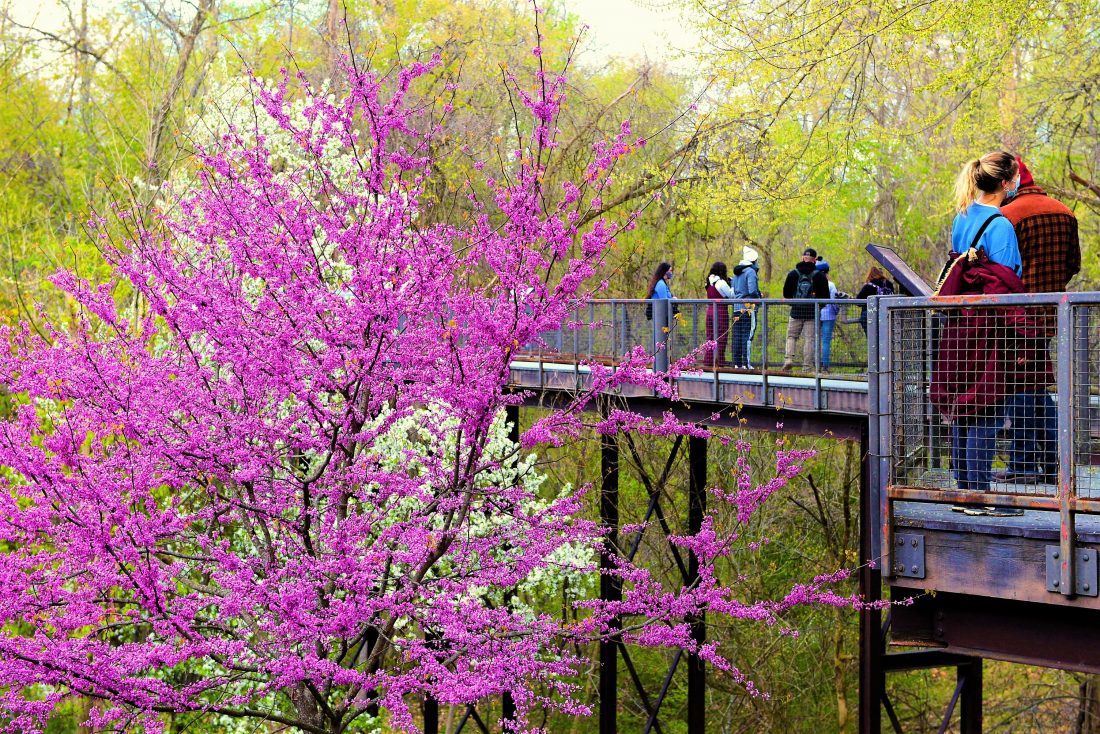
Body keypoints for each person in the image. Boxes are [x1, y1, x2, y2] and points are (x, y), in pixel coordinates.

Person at [938, 151, 1029, 515]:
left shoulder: (962, 217)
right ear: (1006, 183)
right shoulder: (1000, 225)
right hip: (989, 327)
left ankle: (965, 492)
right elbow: (1005, 279)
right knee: (988, 408)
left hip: (961, 323)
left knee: (964, 405)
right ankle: (981, 497)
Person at [996, 156, 1079, 484]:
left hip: (1018, 316)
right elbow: (1074, 264)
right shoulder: (1065, 211)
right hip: (1050, 314)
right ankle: (1050, 464)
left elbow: (1002, 269)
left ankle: (1024, 464)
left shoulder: (1008, 216)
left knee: (1019, 386)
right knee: (1036, 385)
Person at [781, 247, 829, 371]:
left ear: (802, 258)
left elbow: (786, 293)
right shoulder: (819, 276)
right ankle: (807, 367)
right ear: (814, 261)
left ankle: (788, 359)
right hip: (812, 312)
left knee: (791, 336)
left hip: (796, 311)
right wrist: (818, 306)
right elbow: (826, 297)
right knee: (809, 339)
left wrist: (795, 303)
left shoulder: (793, 274)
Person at [732, 246, 762, 369]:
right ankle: (746, 363)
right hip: (748, 308)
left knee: (737, 336)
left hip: (736, 308)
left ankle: (737, 363)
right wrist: (759, 297)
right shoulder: (750, 272)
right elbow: (752, 290)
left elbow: (733, 292)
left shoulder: (736, 274)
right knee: (747, 336)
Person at [815, 260, 848, 371]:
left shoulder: (812, 283)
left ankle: (814, 365)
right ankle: (825, 366)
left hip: (814, 315)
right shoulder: (830, 284)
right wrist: (835, 311)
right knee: (826, 341)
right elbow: (834, 301)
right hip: (828, 315)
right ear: (826, 272)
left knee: (814, 340)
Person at [705, 262, 733, 367]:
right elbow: (730, 295)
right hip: (720, 311)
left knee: (710, 336)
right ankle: (719, 361)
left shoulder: (709, 282)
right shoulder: (721, 283)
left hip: (710, 311)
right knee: (721, 336)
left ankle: (708, 360)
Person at [855, 266, 895, 335]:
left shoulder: (868, 286)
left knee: (871, 340)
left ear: (870, 275)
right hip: (887, 314)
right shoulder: (889, 284)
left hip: (870, 315)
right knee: (885, 338)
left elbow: (858, 302)